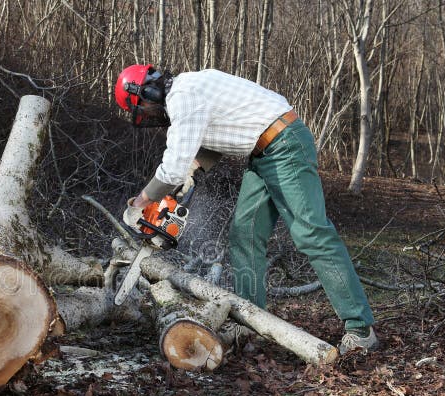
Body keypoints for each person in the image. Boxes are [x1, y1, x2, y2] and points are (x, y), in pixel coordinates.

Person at [114, 64, 377, 354]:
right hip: (263, 152)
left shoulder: (182, 98)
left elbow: (172, 169)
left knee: (312, 233)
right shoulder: (190, 88)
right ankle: (252, 323)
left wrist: (143, 200)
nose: (150, 116)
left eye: (144, 110)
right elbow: (219, 130)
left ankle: (360, 329)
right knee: (245, 236)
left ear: (148, 92)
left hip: (284, 145)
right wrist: (195, 171)